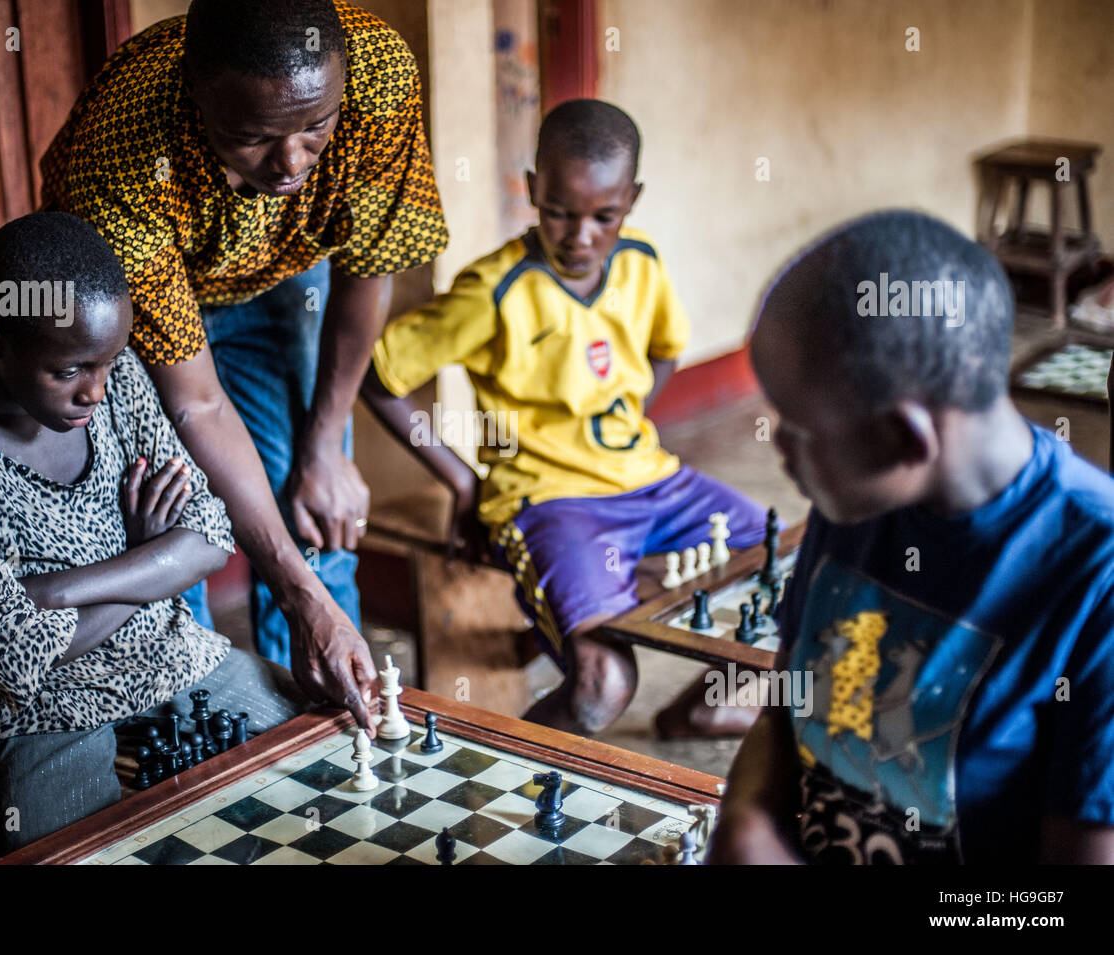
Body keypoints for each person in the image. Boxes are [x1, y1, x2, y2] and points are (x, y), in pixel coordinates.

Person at [40, 0, 449, 734]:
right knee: (164, 528)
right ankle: (201, 750)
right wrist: (300, 599)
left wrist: (326, 445)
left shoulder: (380, 76)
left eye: (314, 129)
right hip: (139, 312)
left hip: (283, 285)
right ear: (194, 92)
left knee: (313, 508)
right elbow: (196, 403)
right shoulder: (120, 150)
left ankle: (328, 738)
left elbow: (369, 267)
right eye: (253, 137)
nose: (291, 164)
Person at [0, 212, 309, 859]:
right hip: (24, 711)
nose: (98, 391)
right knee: (80, 853)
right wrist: (150, 567)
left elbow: (210, 538)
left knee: (312, 769)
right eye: (71, 371)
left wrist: (46, 593)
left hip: (166, 655)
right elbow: (10, 659)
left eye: (109, 362)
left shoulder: (116, 374)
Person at [708, 210, 1114, 864]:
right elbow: (789, 702)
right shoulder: (853, 503)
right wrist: (748, 820)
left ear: (904, 438)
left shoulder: (1096, 576)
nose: (777, 447)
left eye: (799, 428)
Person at [362, 100, 764, 736]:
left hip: (653, 483)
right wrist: (463, 480)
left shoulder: (642, 264)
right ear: (532, 189)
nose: (580, 236)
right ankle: (490, 796)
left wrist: (623, 423)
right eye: (558, 212)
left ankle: (705, 707)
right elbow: (380, 378)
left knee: (792, 570)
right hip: (550, 502)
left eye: (604, 216)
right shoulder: (494, 291)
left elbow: (664, 349)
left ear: (631, 200)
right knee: (602, 686)